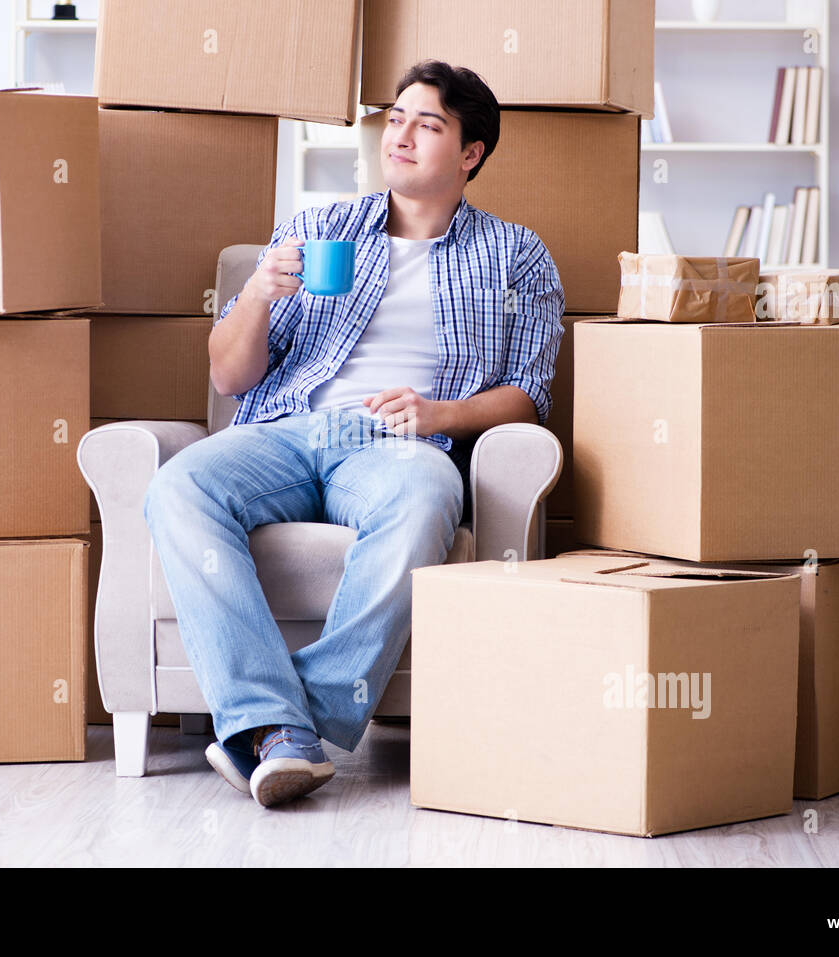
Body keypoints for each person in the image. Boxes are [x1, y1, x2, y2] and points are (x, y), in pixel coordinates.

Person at [142, 59, 565, 808]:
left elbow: (528, 396)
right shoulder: (319, 228)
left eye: (427, 124)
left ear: (471, 152)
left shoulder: (515, 255)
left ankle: (284, 729)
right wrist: (259, 301)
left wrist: (440, 414)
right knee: (179, 484)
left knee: (427, 499)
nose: (400, 136)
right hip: (287, 427)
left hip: (402, 446)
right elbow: (230, 377)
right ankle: (278, 726)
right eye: (395, 118)